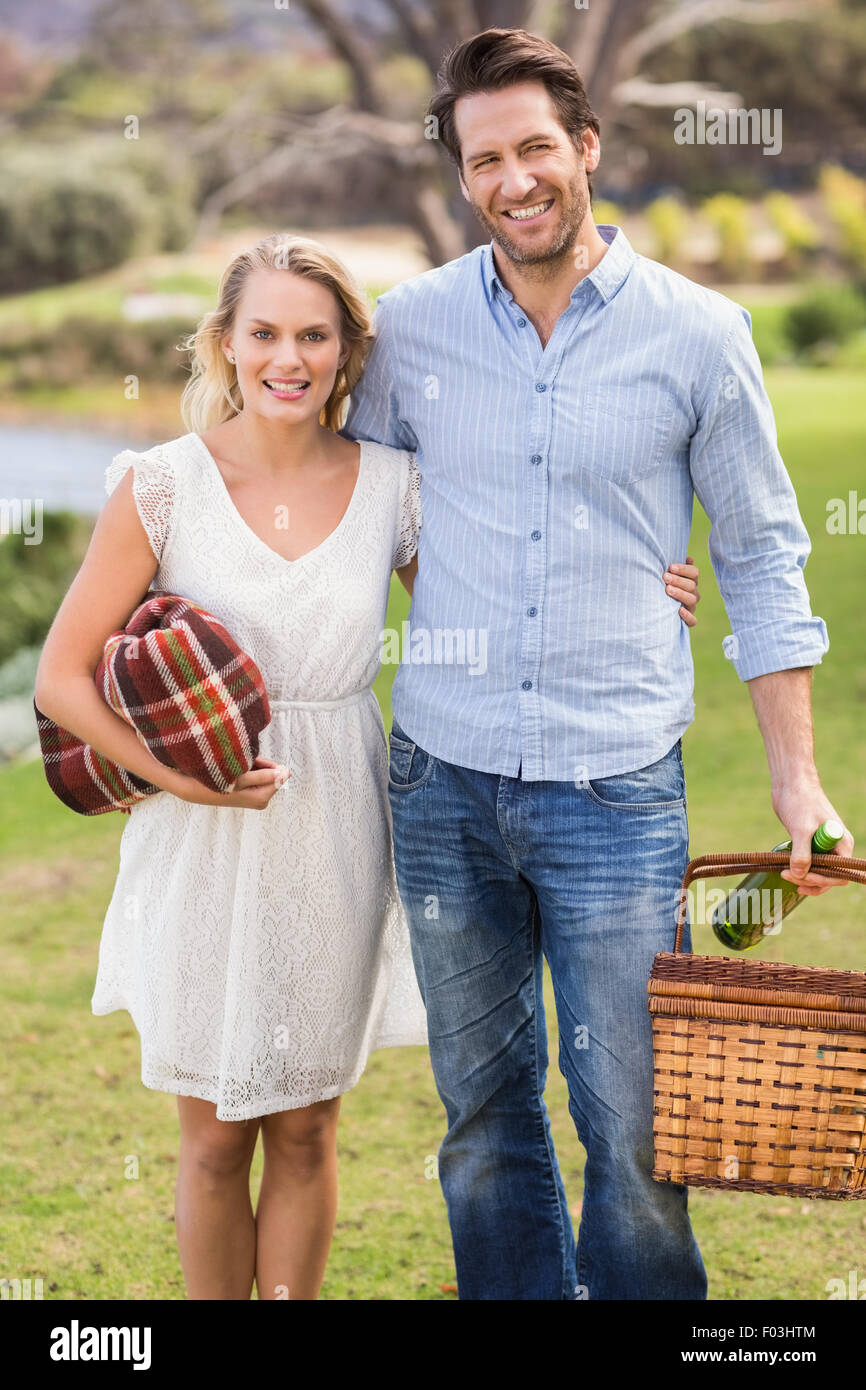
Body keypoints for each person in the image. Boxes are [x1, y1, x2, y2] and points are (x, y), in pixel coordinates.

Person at [341, 27, 854, 1300]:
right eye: (482, 160)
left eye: (532, 149)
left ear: (584, 149)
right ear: (460, 175)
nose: (512, 180)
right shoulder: (406, 331)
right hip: (442, 784)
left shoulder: (699, 333)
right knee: (478, 1120)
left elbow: (761, 556)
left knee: (632, 1134)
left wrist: (795, 781)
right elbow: (370, 513)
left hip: (615, 795)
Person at [33, 233, 432, 1301]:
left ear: (348, 348)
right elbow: (62, 678)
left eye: (313, 333)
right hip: (202, 842)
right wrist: (180, 779)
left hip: (336, 826)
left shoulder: (394, 486)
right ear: (226, 342)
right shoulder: (162, 485)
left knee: (304, 1127)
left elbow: (495, 606)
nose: (287, 357)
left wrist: (644, 584)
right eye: (264, 333)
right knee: (214, 1136)